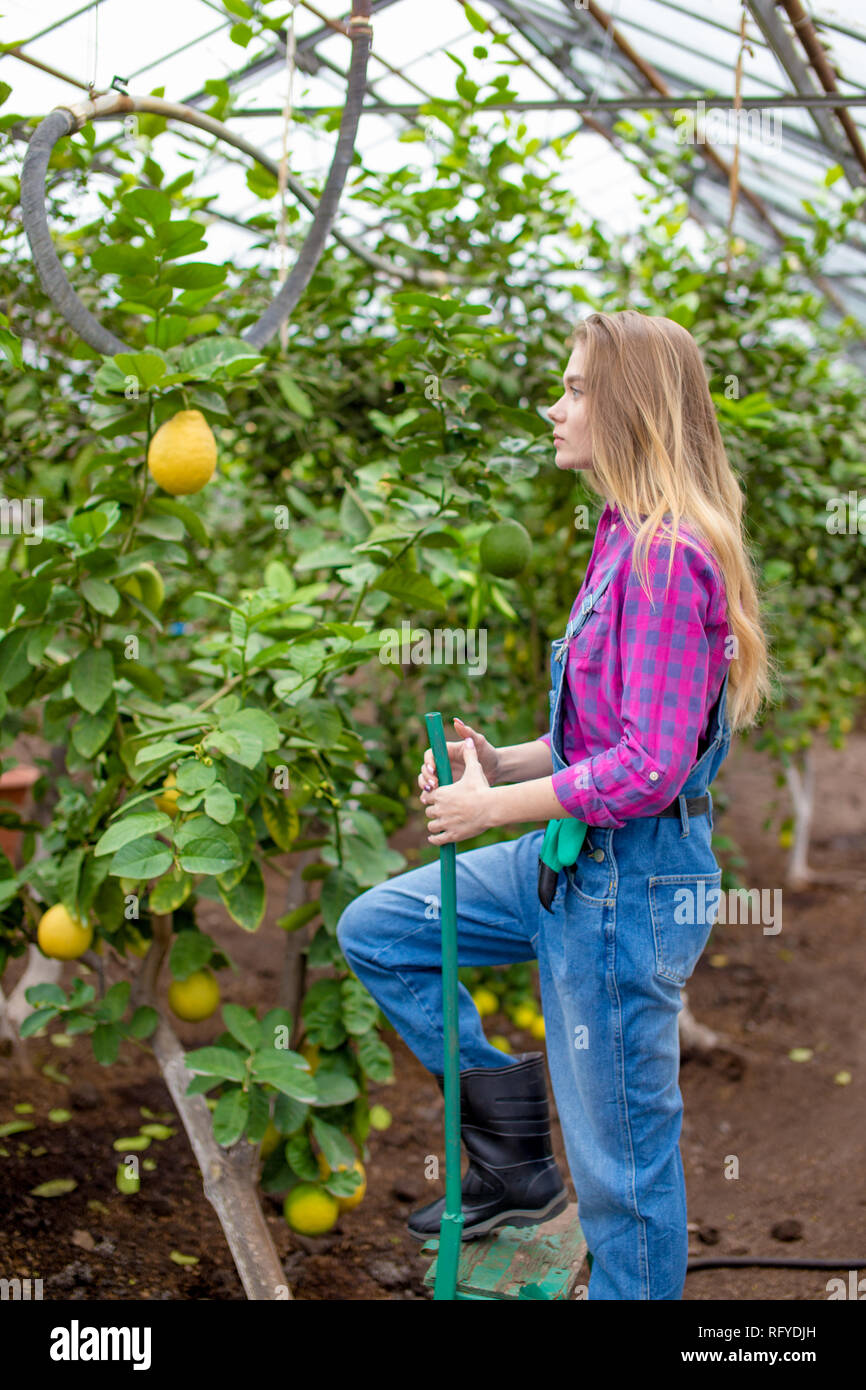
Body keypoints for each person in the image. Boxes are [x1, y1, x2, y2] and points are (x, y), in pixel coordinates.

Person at [336, 308, 774, 1300]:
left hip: (627, 884)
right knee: (384, 927)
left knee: (623, 1169)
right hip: (573, 861)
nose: (553, 404)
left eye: (574, 388)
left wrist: (494, 810)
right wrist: (500, 761)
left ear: (624, 410)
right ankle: (511, 1155)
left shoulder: (667, 557)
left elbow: (650, 770)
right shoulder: (619, 534)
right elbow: (602, 739)